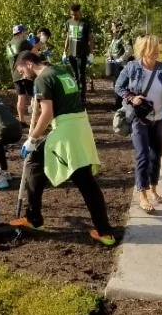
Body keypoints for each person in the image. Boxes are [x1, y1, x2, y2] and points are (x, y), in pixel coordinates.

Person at [9, 51, 115, 246]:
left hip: (67, 133)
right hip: (80, 127)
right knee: (45, 166)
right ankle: (104, 230)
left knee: (76, 176)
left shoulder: (42, 79)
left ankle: (35, 219)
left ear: (29, 64)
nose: (22, 74)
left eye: (21, 70)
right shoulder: (60, 71)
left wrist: (32, 138)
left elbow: (47, 112)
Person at [114, 35, 162, 214]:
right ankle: (142, 195)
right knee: (142, 155)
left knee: (156, 155)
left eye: (158, 52)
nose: (155, 56)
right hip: (138, 118)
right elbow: (119, 87)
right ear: (143, 52)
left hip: (158, 118)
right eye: (152, 53)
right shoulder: (132, 68)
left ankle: (154, 189)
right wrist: (131, 97)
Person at [62, 4, 94, 105]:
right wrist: (64, 51)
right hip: (71, 53)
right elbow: (68, 37)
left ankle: (82, 96)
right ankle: (76, 95)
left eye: (75, 14)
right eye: (72, 14)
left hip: (82, 53)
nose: (74, 16)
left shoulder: (85, 23)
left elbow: (90, 38)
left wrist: (91, 53)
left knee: (81, 75)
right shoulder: (68, 22)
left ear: (79, 13)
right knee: (74, 75)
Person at [6, 24, 35, 126]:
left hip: (15, 73)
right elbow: (35, 51)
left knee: (21, 97)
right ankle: (34, 120)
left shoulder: (9, 44)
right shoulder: (23, 42)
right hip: (25, 72)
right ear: (22, 32)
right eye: (24, 32)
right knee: (33, 96)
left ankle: (21, 121)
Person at [106, 21, 133, 109]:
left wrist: (120, 59)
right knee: (116, 84)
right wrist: (109, 55)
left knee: (120, 85)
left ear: (118, 27)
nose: (111, 28)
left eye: (113, 26)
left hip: (123, 66)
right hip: (115, 65)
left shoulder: (124, 37)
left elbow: (129, 50)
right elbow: (112, 49)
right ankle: (118, 104)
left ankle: (121, 105)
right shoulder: (115, 37)